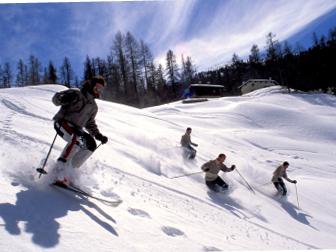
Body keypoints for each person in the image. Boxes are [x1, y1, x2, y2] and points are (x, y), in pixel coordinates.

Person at [51, 75, 108, 185]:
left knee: (91, 145)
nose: (98, 91)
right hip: (62, 122)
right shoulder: (76, 93)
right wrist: (63, 99)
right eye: (97, 88)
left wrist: (98, 135)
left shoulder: (93, 107)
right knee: (75, 140)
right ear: (91, 85)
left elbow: (90, 123)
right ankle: (58, 170)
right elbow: (56, 99)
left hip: (76, 129)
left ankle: (69, 172)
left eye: (101, 89)